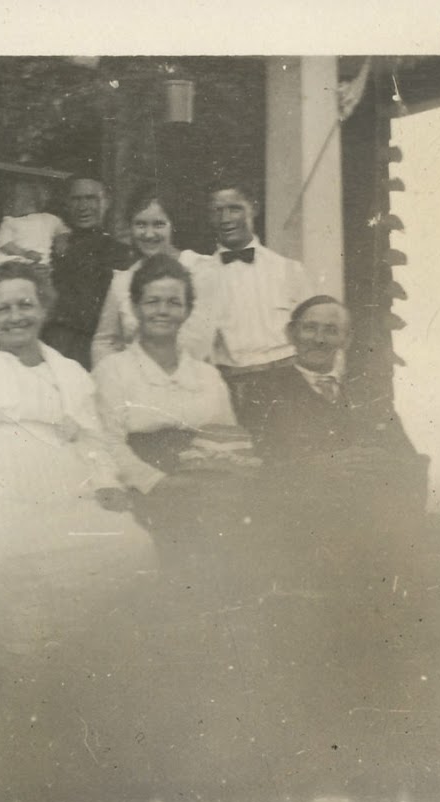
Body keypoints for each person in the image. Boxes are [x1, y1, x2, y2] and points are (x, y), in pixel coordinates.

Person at [0, 261, 156, 682]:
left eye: (25, 305)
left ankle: (98, 673)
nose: (16, 316)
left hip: (62, 480)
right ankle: (29, 677)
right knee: (12, 555)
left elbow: (92, 440)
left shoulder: (69, 372)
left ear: (44, 309)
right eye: (3, 309)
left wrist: (108, 483)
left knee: (129, 545)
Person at [239, 296, 428, 590]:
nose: (319, 339)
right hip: (300, 530)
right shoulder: (262, 390)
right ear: (291, 333)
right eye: (310, 328)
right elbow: (255, 467)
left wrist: (380, 461)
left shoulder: (368, 392)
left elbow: (409, 461)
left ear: (346, 338)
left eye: (331, 330)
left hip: (370, 528)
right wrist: (315, 467)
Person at [91, 255, 255, 579]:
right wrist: (158, 484)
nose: (162, 311)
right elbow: (107, 443)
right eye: (152, 302)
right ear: (136, 308)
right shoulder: (112, 371)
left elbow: (229, 438)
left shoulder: (208, 376)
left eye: (173, 303)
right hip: (145, 492)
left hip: (208, 493)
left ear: (187, 311)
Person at [200, 179, 313, 419]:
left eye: (234, 208)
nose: (225, 219)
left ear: (254, 208)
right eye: (217, 211)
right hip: (233, 389)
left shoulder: (289, 270)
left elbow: (313, 331)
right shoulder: (199, 277)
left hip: (288, 385)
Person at [92, 186, 216, 362]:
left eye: (158, 224)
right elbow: (104, 341)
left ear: (173, 226)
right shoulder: (123, 280)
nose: (149, 234)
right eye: (140, 224)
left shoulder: (200, 270)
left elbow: (202, 341)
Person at [46, 174, 133, 367]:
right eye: (76, 199)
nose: (83, 206)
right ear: (66, 204)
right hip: (56, 346)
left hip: (97, 350)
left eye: (91, 198)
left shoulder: (121, 253)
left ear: (106, 202)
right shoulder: (53, 246)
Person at [0, 179, 70, 266]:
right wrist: (24, 253)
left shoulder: (48, 219)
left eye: (14, 198)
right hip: (19, 264)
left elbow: (62, 230)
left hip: (43, 265)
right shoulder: (9, 221)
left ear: (31, 201)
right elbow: (4, 244)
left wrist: (61, 241)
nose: (9, 203)